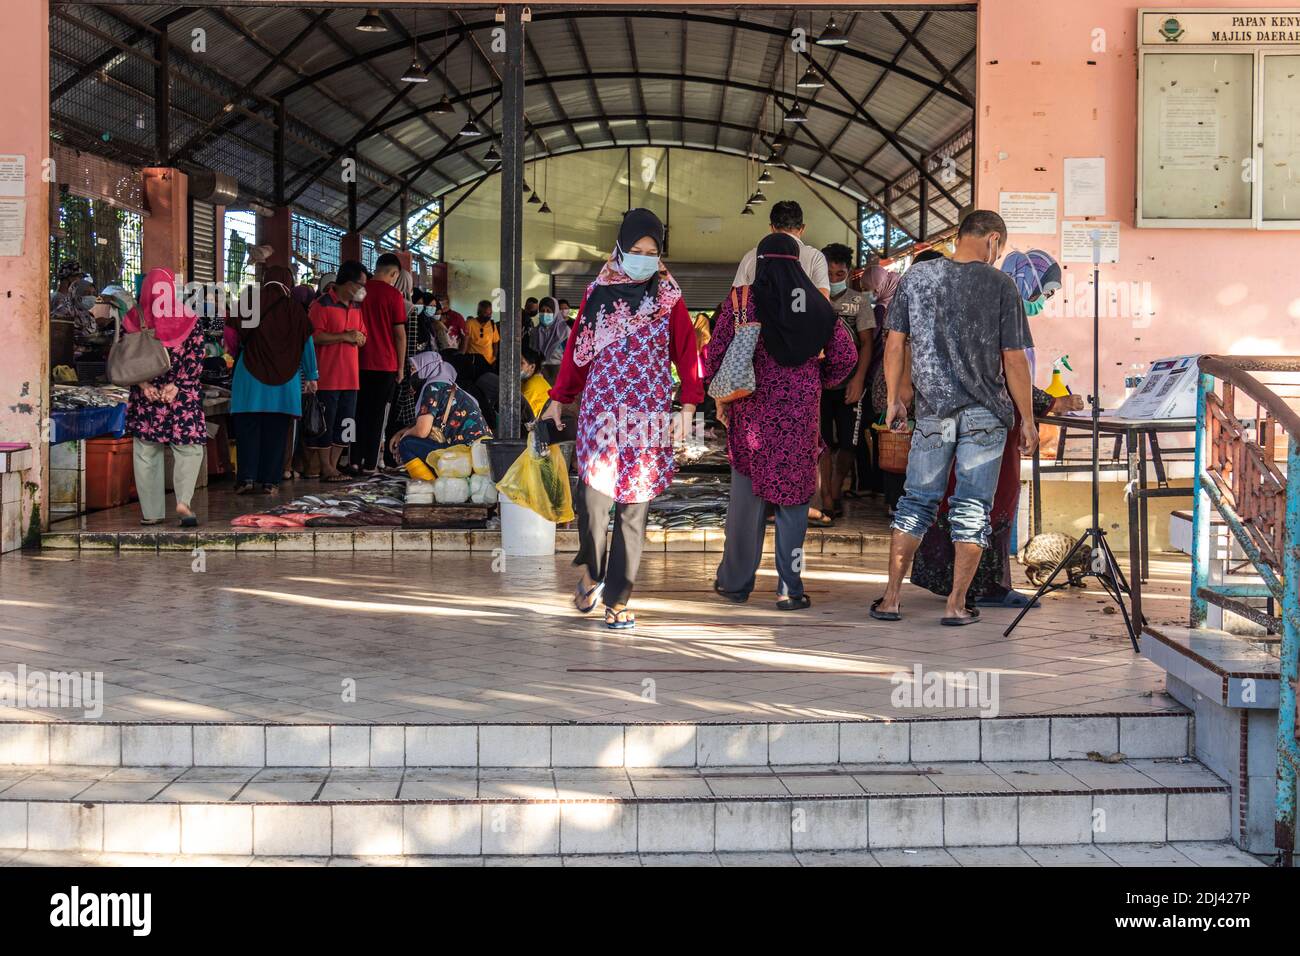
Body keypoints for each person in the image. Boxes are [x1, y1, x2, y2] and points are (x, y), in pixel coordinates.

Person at [871, 210, 1039, 626]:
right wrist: (1029, 419)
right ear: (994, 240)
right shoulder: (1001, 285)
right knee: (971, 508)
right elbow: (1014, 360)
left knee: (916, 502)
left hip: (933, 413)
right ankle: (956, 605)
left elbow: (895, 346)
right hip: (985, 415)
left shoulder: (917, 278)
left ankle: (891, 599)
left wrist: (895, 399)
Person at [539, 208, 703, 630]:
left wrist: (687, 406)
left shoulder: (669, 297)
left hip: (646, 416)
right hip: (600, 414)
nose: (644, 257)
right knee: (594, 504)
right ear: (620, 248)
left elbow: (687, 353)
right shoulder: (598, 293)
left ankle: (618, 598)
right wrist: (559, 398)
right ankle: (594, 572)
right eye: (636, 249)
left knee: (634, 509)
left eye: (652, 251)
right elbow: (579, 349)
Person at [909, 249, 1080, 609]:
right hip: (991, 422)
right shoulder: (1000, 304)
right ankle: (982, 586)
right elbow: (1006, 369)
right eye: (1042, 291)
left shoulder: (984, 300)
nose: (1042, 300)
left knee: (959, 496)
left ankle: (957, 582)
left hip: (960, 417)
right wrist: (1048, 405)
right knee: (991, 500)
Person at [707, 234, 857, 609]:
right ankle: (790, 586)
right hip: (800, 418)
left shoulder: (742, 302)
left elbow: (715, 358)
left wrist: (725, 398)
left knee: (747, 502)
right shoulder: (819, 307)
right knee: (794, 506)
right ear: (797, 262)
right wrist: (817, 380)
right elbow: (845, 355)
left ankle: (735, 583)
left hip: (750, 416)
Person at [124, 267, 206, 527]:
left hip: (146, 396)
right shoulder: (188, 317)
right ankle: (183, 502)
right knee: (189, 449)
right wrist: (177, 386)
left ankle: (151, 512)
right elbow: (196, 357)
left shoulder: (133, 319)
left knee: (146, 451)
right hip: (180, 397)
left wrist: (144, 384)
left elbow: (126, 358)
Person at [228, 264, 318, 495]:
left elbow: (228, 332)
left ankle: (246, 478)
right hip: (284, 381)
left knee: (247, 430)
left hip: (249, 377)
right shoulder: (295, 309)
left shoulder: (249, 304)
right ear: (288, 283)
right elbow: (306, 344)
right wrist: (311, 375)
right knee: (277, 432)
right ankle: (270, 482)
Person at [817, 242, 874, 522]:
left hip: (850, 386)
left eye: (840, 274)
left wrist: (859, 379)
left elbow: (866, 344)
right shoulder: (812, 299)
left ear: (849, 273)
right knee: (824, 443)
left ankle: (837, 489)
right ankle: (827, 497)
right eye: (830, 273)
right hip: (818, 386)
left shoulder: (859, 302)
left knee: (849, 445)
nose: (835, 278)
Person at [306, 260, 366, 482]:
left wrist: (360, 338)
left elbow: (362, 334)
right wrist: (344, 336)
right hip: (328, 378)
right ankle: (326, 467)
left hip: (351, 379)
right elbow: (312, 337)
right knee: (325, 425)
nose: (363, 290)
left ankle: (333, 465)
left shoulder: (357, 308)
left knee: (346, 425)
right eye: (361, 285)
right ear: (349, 284)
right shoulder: (321, 305)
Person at [353, 253, 407, 473]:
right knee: (378, 416)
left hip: (357, 362)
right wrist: (401, 367)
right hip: (385, 365)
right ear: (394, 274)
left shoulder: (359, 292)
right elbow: (400, 335)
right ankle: (370, 463)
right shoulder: (394, 296)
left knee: (358, 412)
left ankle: (354, 459)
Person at [391, 380, 491, 480]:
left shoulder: (432, 388)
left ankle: (426, 488)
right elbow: (421, 423)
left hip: (467, 458)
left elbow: (422, 431)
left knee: (406, 443)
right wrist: (401, 432)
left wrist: (402, 437)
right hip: (482, 457)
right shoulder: (446, 387)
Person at [732, 200, 830, 298]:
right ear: (802, 228)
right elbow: (823, 299)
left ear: (772, 227)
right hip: (801, 312)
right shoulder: (815, 257)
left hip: (762, 313)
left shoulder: (752, 256)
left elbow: (735, 298)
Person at [529, 295, 569, 382]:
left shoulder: (564, 331)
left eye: (549, 311)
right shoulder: (535, 332)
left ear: (555, 312)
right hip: (539, 372)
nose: (545, 313)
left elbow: (570, 355)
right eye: (542, 311)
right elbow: (532, 353)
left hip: (559, 372)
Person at [461, 298, 500, 377]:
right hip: (473, 361)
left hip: (489, 362)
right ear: (479, 312)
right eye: (486, 313)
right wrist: (461, 355)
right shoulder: (470, 323)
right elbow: (465, 342)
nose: (489, 316)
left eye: (490, 314)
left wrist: (494, 358)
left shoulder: (492, 324)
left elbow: (495, 342)